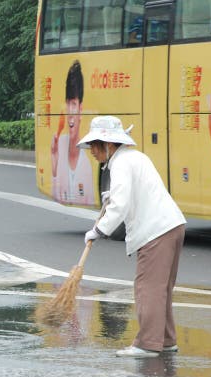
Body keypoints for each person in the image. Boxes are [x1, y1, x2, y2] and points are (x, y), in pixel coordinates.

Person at [79, 116, 186, 357]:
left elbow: (121, 205)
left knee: (148, 287)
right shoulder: (135, 157)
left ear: (109, 144)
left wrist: (98, 230)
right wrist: (111, 196)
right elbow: (132, 192)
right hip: (171, 225)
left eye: (95, 145)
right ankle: (166, 340)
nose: (92, 151)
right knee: (161, 288)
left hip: (155, 230)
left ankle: (147, 343)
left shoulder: (121, 163)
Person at [50, 60, 93, 206]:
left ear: (80, 109)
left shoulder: (87, 166)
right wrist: (54, 169)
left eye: (73, 104)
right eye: (67, 104)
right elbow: (56, 199)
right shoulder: (59, 146)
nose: (70, 113)